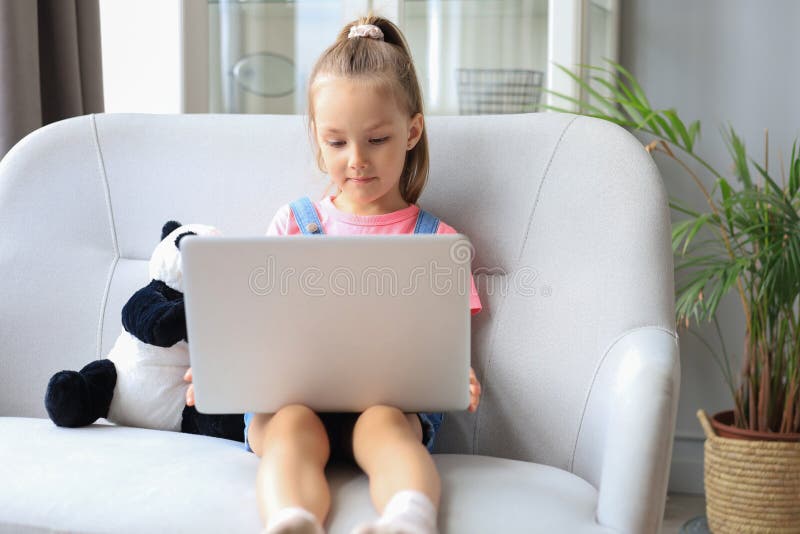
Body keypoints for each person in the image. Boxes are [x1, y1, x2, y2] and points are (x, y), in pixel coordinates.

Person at [185, 14, 483, 534]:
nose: (357, 161)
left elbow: (448, 346)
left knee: (385, 426)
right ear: (318, 140)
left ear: (412, 131)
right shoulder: (293, 224)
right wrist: (219, 368)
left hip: (391, 408)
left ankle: (410, 519)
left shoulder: (438, 243)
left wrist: (462, 373)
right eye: (337, 142)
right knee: (291, 428)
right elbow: (255, 324)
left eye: (377, 139)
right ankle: (292, 520)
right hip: (295, 404)